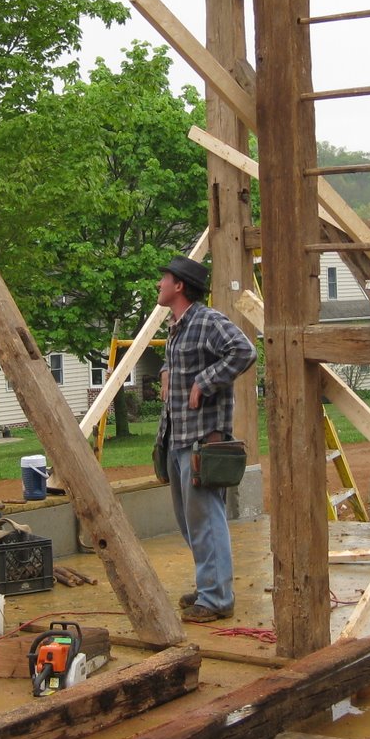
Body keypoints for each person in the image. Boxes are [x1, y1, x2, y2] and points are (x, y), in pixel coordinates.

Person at [156, 253, 256, 623]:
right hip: (178, 435)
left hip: (203, 438)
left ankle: (217, 599)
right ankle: (209, 585)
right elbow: (182, 359)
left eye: (164, 278)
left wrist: (205, 381)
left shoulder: (208, 320)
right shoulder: (178, 325)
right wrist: (168, 369)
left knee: (206, 520)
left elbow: (244, 351)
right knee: (189, 521)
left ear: (179, 286)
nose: (159, 284)